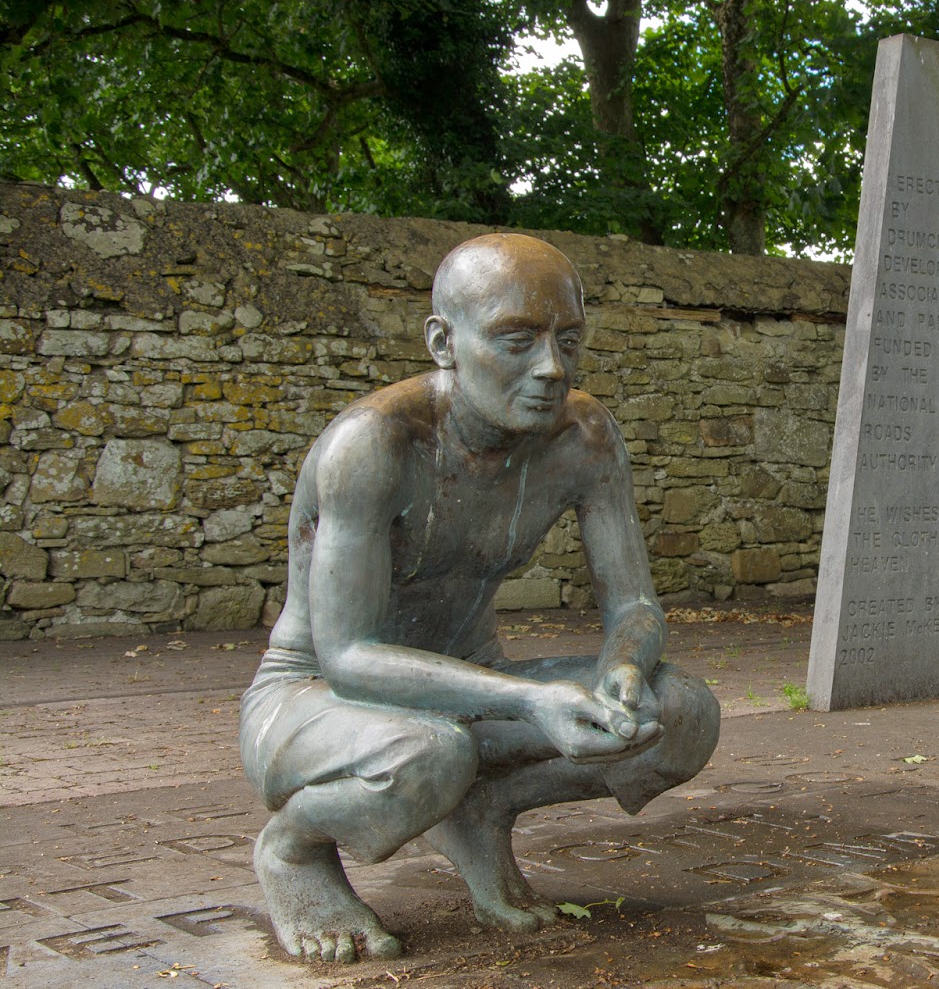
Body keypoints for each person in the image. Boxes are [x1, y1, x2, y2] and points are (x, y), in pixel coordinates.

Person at [239, 233, 719, 963]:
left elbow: (635, 607)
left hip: (469, 691)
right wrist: (531, 700)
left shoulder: (584, 437)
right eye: (516, 340)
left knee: (678, 713)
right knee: (433, 751)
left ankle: (483, 813)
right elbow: (345, 657)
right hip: (315, 702)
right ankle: (295, 850)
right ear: (443, 341)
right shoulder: (372, 445)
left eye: (568, 340)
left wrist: (622, 666)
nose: (551, 368)